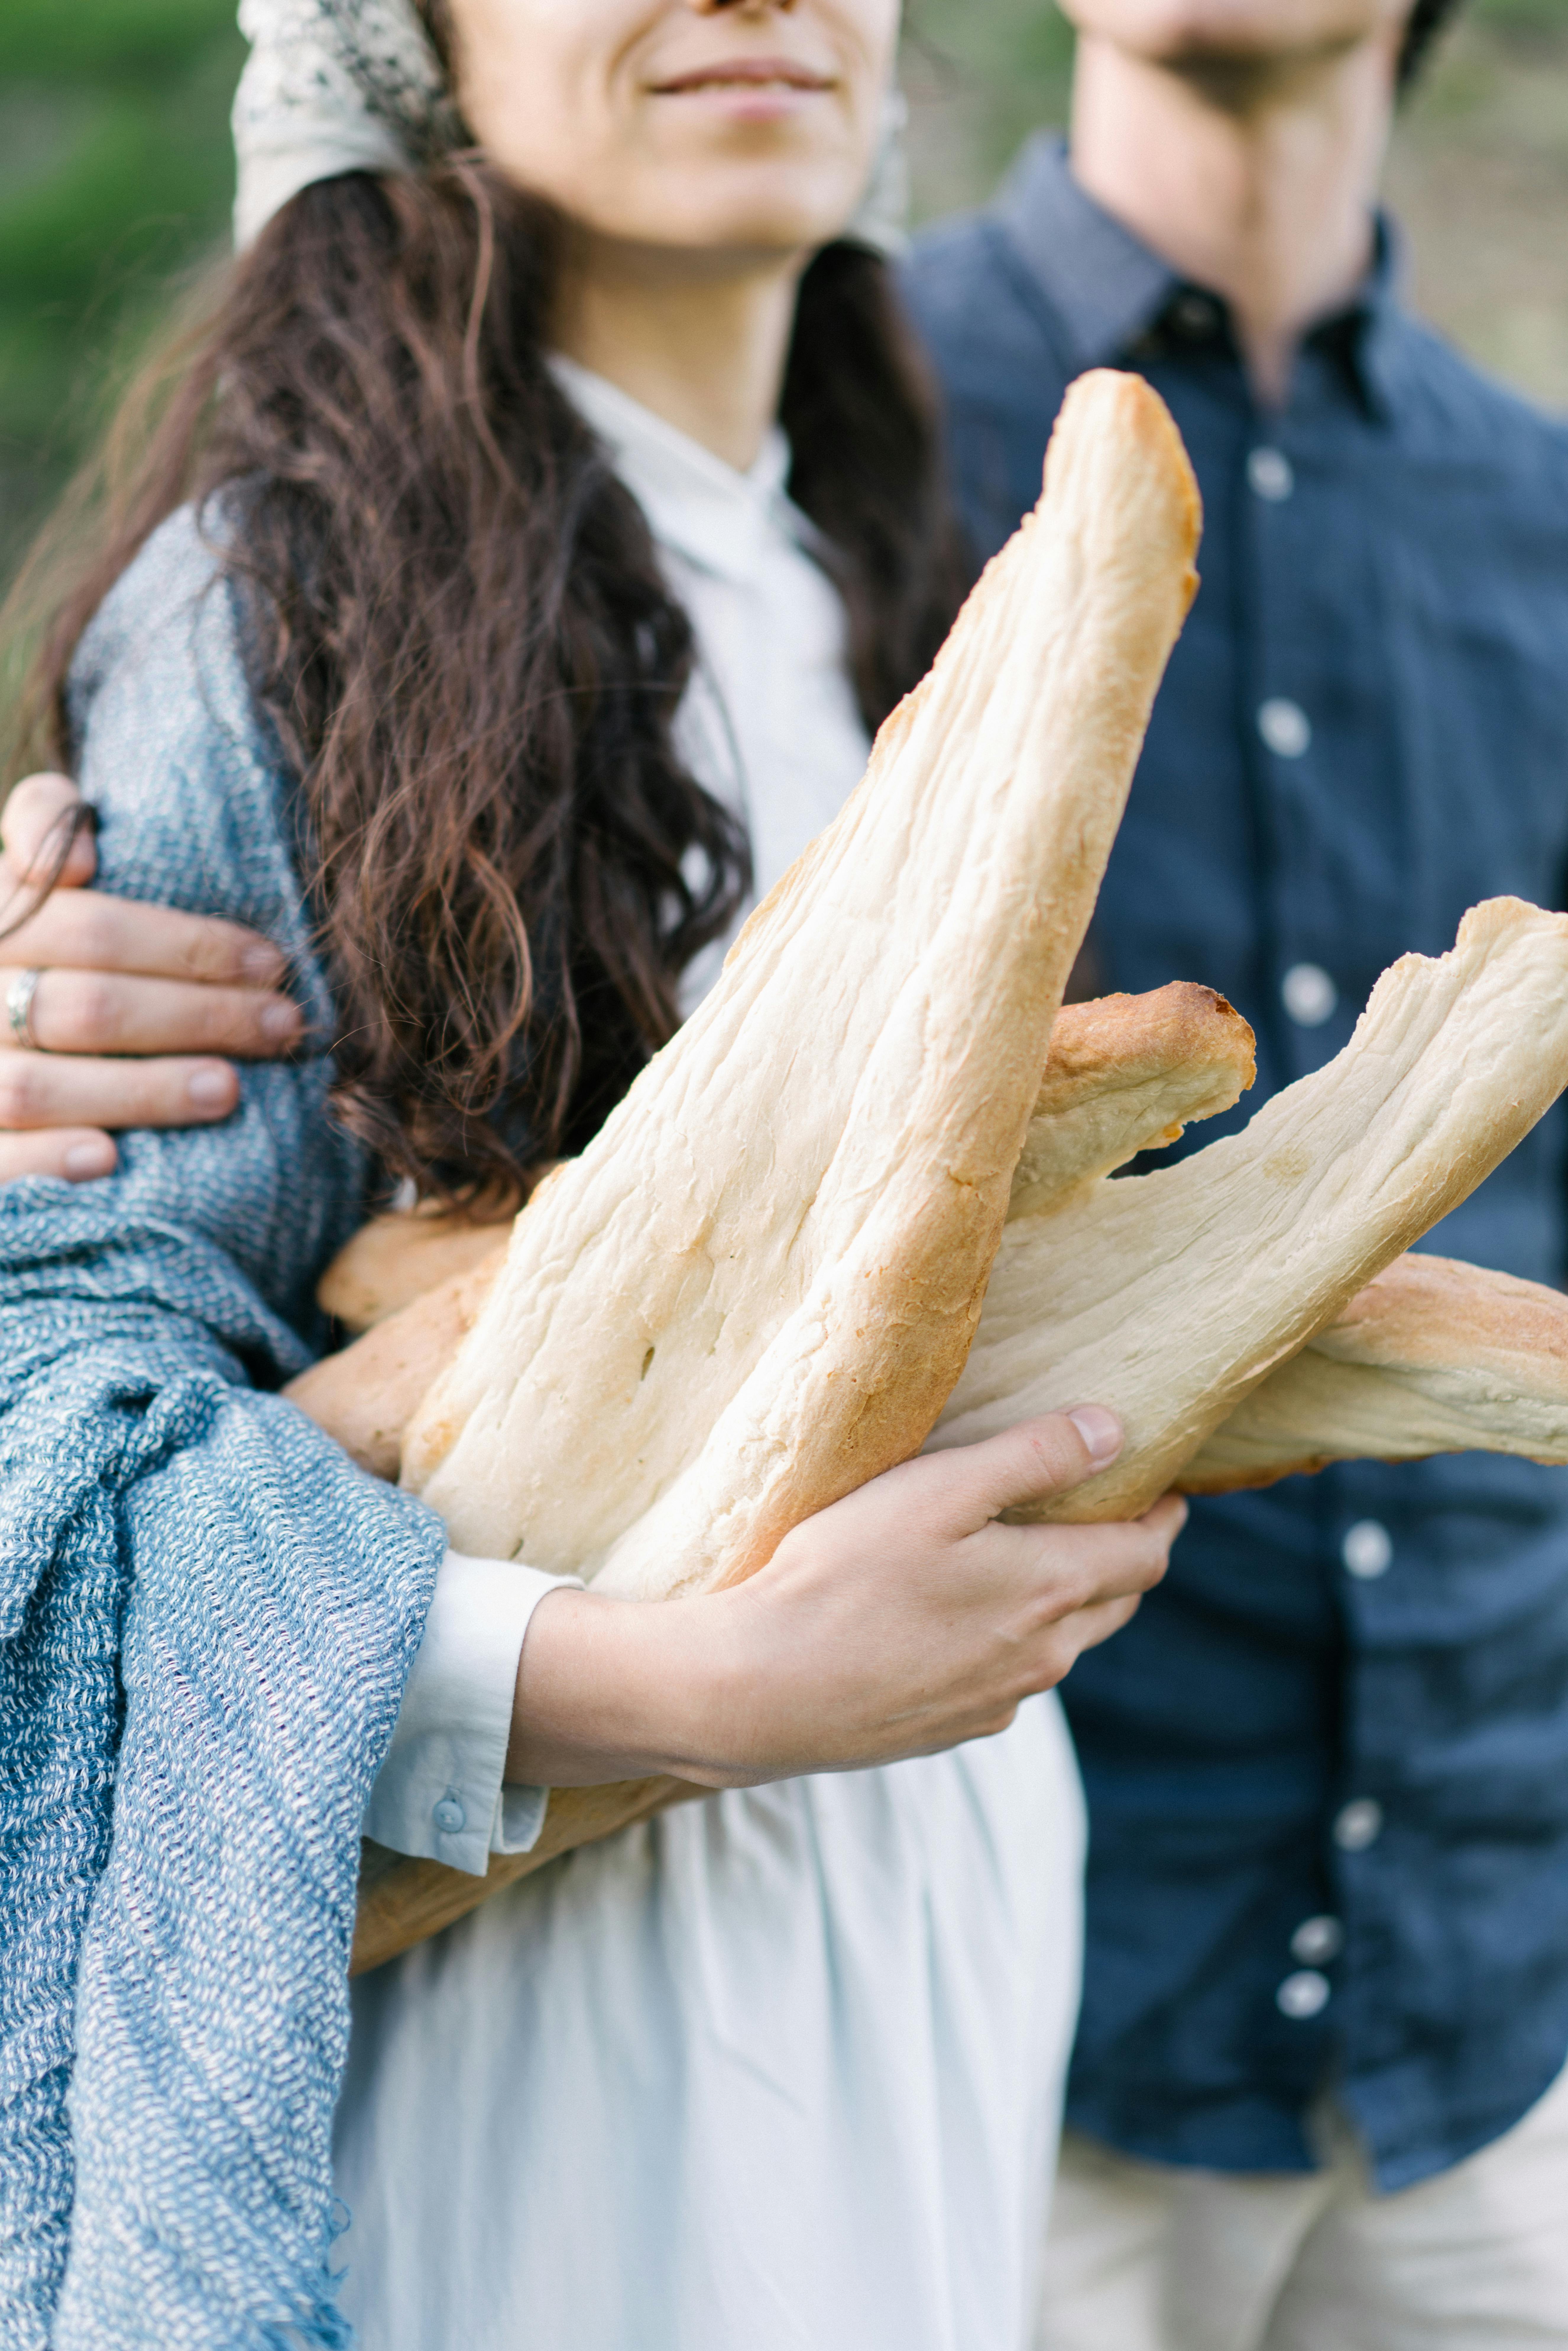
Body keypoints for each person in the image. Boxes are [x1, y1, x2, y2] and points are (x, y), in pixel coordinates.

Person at [14, 0, 1568, 2344]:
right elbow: (64, 1465)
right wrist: (682, 1685)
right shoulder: (288, 601)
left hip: (920, 1994)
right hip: (538, 2085)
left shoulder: (897, 566)